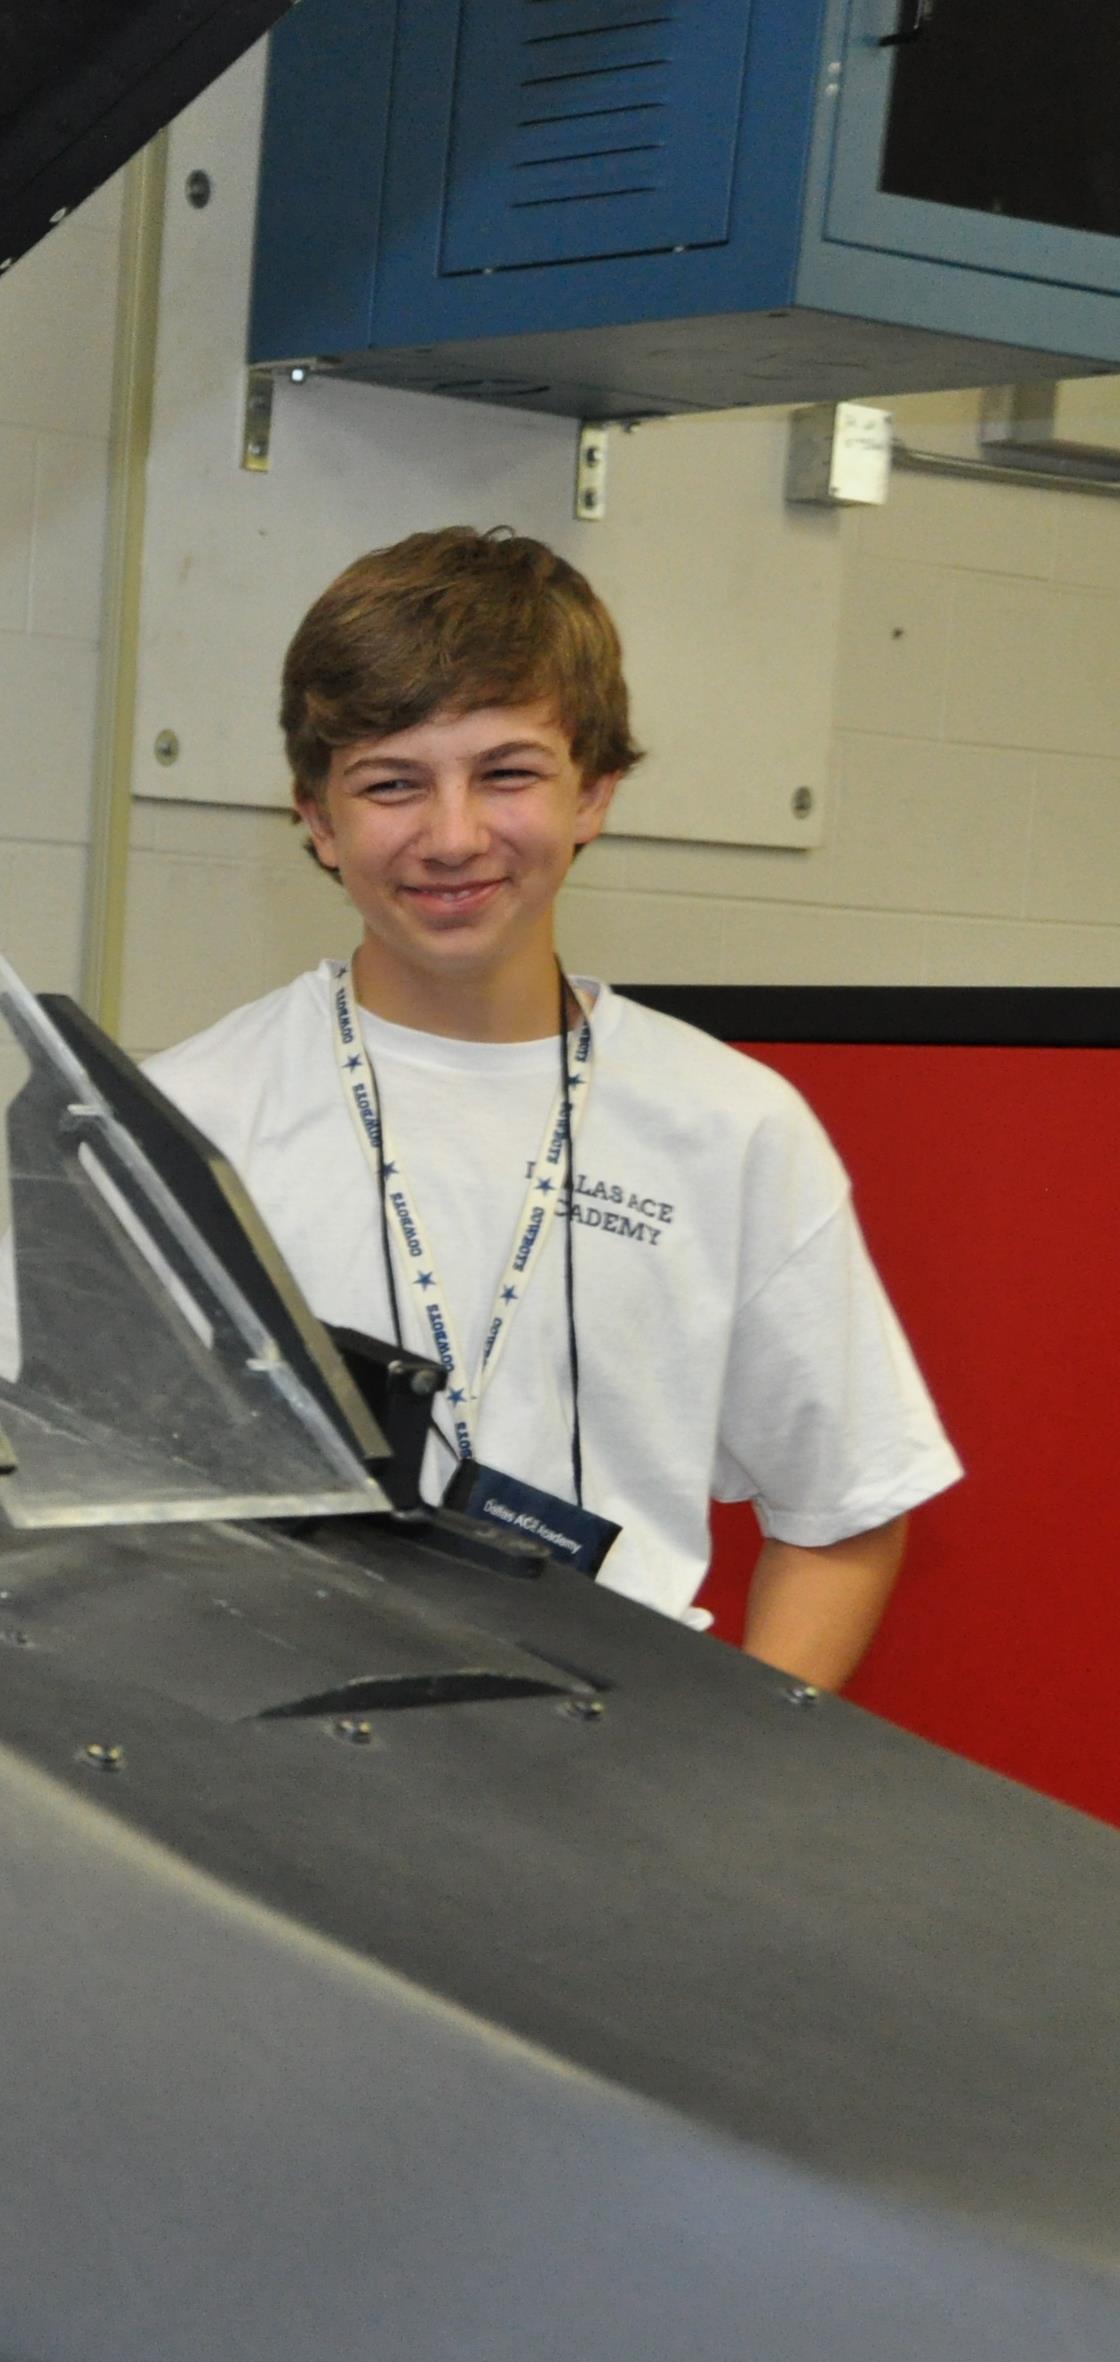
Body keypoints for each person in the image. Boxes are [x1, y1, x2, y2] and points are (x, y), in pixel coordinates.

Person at [137, 526, 956, 1683]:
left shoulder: (731, 1126)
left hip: (617, 1784)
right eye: (390, 784)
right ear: (317, 819)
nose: (454, 834)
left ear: (595, 792)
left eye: (507, 773)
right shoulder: (185, 1118)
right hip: (268, 1761)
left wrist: (719, 1795)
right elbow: (45, 1468)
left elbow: (846, 1513)